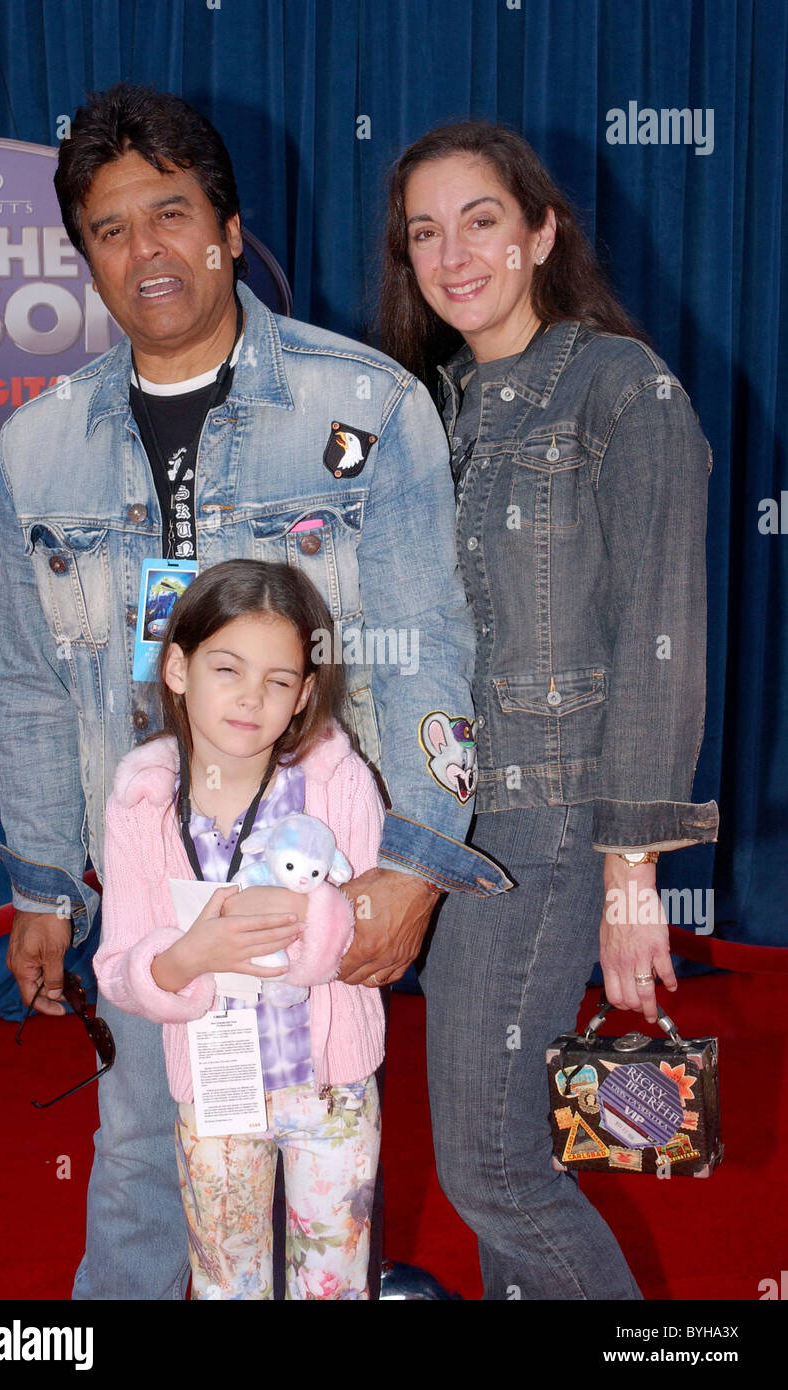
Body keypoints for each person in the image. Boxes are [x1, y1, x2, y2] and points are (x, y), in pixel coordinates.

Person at [0, 86, 511, 1300]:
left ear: (228, 228)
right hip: (152, 892)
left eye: (171, 214)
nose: (146, 251)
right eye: (110, 230)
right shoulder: (38, 448)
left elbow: (431, 644)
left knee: (322, 1178)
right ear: (85, 260)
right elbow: (28, 680)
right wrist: (44, 886)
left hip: (312, 882)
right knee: (134, 1169)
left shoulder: (367, 406)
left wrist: (418, 860)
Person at [379, 120, 719, 1300]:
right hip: (459, 829)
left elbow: (661, 645)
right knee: (501, 1151)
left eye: (481, 220)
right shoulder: (448, 406)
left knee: (489, 1166)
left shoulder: (623, 389)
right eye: (426, 231)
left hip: (552, 830)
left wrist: (634, 883)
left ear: (541, 232)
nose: (453, 253)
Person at [95, 559, 385, 1299]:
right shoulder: (142, 799)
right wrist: (189, 955)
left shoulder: (336, 781)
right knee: (228, 1285)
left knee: (335, 1286)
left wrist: (320, 921)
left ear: (304, 695)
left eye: (279, 680)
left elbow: (373, 931)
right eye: (228, 668)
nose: (251, 698)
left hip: (333, 1094)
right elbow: (120, 965)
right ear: (178, 668)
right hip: (215, 1097)